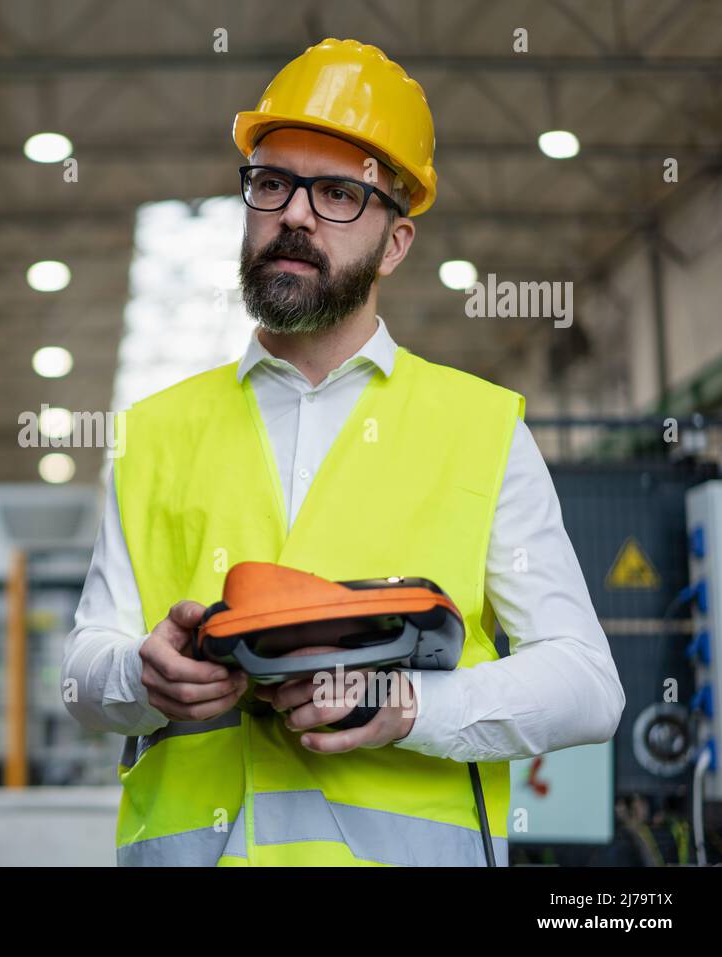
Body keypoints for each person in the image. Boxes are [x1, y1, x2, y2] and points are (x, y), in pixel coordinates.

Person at [62, 38, 624, 867]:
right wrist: (139, 679)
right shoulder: (154, 432)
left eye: (337, 193)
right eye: (273, 182)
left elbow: (587, 685)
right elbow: (82, 673)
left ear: (396, 243)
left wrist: (411, 707)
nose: (293, 213)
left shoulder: (480, 429)